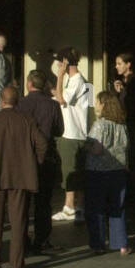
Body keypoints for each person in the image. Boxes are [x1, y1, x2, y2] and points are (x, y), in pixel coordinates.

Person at [0, 86, 48, 268]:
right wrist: (34, 163)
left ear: (1, 101)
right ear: (17, 101)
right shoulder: (27, 120)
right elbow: (42, 144)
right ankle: (17, 263)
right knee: (18, 221)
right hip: (20, 176)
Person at [17, 71, 62, 255]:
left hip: (24, 156)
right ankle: (42, 239)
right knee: (44, 201)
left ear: (29, 84)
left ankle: (23, 238)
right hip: (47, 156)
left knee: (23, 201)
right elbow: (60, 130)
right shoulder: (51, 105)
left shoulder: (20, 104)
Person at [85, 90, 130, 254]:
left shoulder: (100, 125)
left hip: (98, 171)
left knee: (96, 208)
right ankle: (121, 243)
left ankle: (98, 244)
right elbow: (126, 149)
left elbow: (97, 149)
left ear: (103, 104)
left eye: (97, 101)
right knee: (118, 207)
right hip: (118, 170)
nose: (96, 105)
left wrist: (86, 145)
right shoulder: (122, 126)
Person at [52, 47, 91, 223]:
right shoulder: (77, 81)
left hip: (72, 133)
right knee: (78, 172)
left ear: (65, 62)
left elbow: (61, 99)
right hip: (77, 133)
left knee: (69, 172)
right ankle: (80, 207)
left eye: (60, 62)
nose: (57, 65)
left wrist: (59, 76)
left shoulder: (77, 80)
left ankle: (69, 207)